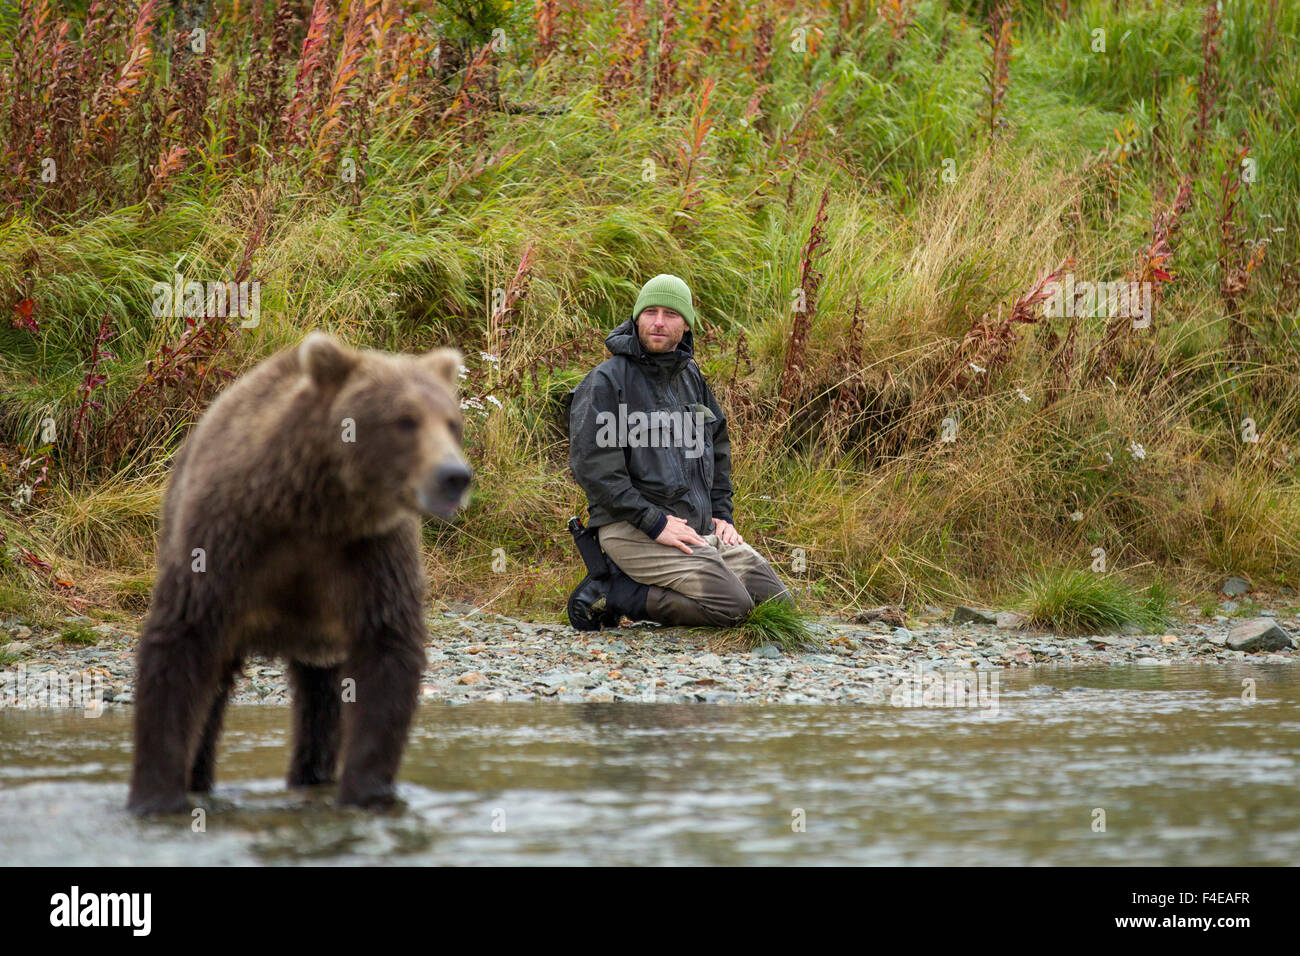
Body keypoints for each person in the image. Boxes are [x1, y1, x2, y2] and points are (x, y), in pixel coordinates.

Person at [564, 273, 793, 629]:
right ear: (636, 317)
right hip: (632, 529)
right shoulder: (607, 381)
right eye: (650, 312)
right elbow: (594, 469)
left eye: (670, 314)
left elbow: (717, 447)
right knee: (735, 607)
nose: (658, 322)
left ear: (686, 325)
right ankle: (621, 593)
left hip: (696, 528)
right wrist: (654, 522)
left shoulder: (691, 377)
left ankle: (643, 585)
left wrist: (722, 515)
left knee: (778, 602)